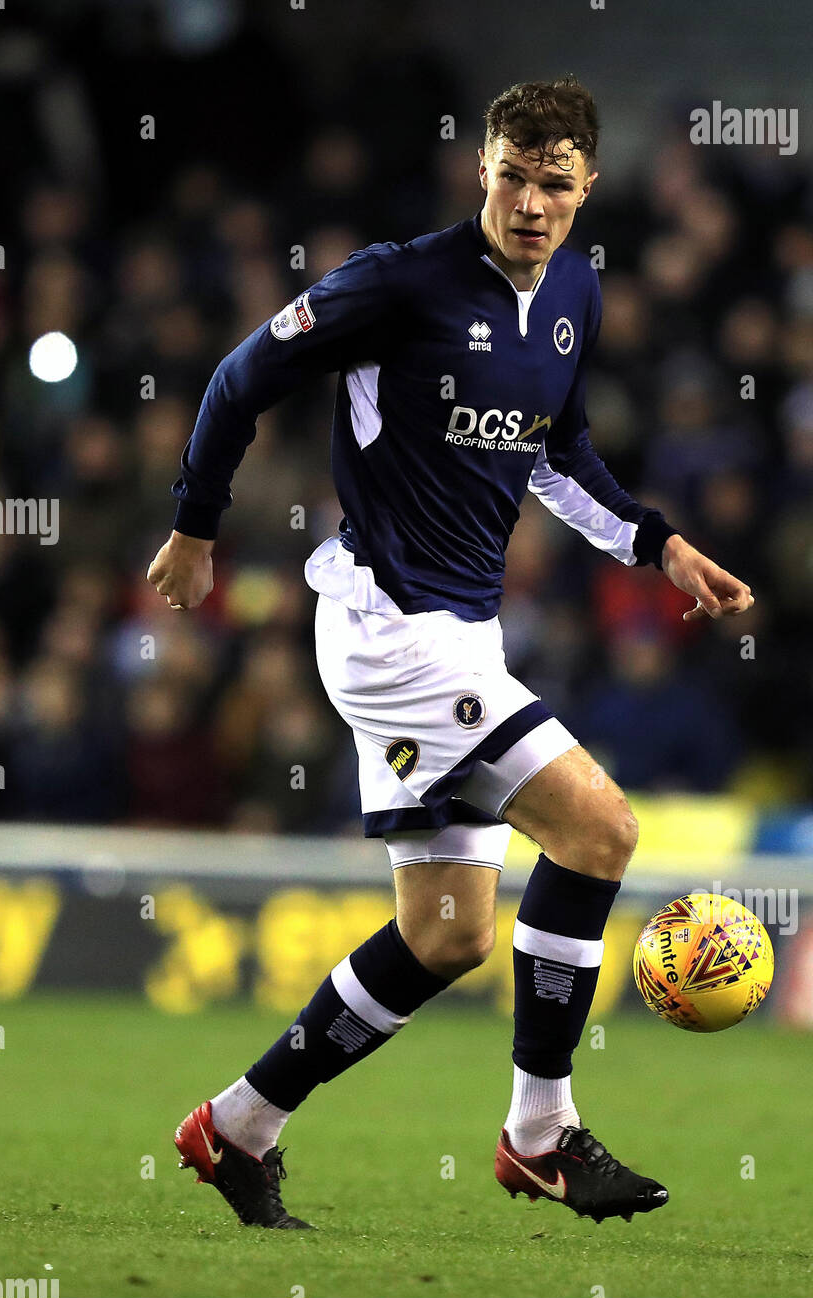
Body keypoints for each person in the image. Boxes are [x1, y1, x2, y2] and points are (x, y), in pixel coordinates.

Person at [147, 75, 754, 1229]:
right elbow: (240, 377)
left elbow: (556, 451)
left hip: (461, 628)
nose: (531, 204)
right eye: (513, 177)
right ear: (482, 168)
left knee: (449, 934)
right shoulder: (397, 281)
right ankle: (540, 1133)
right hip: (388, 624)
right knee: (601, 827)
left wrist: (660, 545)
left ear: (587, 188)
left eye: (554, 184)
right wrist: (194, 526)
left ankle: (235, 1126)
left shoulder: (574, 289)